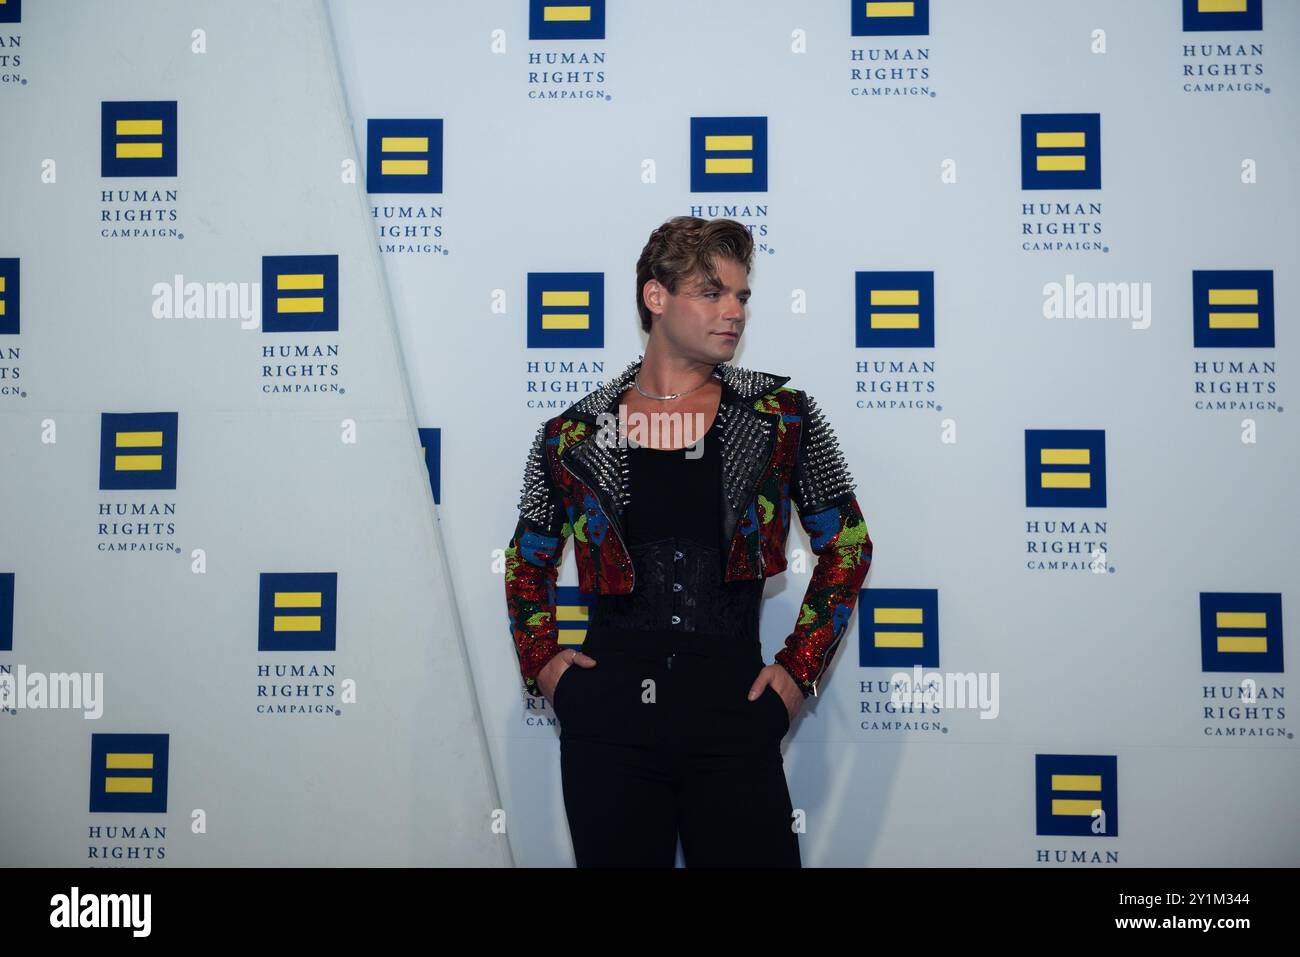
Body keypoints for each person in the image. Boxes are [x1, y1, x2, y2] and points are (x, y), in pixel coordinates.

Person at [504, 215, 873, 867]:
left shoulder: (782, 416)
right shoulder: (575, 432)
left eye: (741, 295)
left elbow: (848, 545)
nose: (733, 311)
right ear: (656, 297)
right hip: (609, 720)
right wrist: (546, 664)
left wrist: (797, 671)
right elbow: (526, 561)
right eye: (712, 292)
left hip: (735, 710)